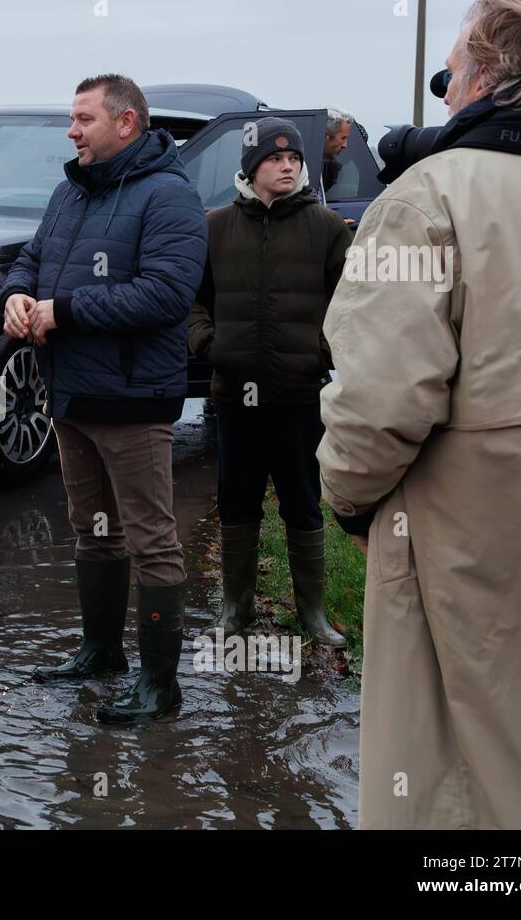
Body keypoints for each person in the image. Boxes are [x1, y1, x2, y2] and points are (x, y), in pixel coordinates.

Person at [317, 0, 521, 828]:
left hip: (474, 549)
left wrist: (347, 501)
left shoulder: (428, 199)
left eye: (445, 78)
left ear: (481, 76)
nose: (444, 96)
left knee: (462, 781)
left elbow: (376, 406)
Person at [0, 74, 207, 724]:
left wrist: (66, 313)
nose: (71, 129)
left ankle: (159, 686)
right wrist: (17, 296)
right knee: (93, 531)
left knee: (150, 539)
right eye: (73, 116)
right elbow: (31, 258)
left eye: (84, 118)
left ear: (126, 124)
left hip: (133, 396)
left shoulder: (169, 197)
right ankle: (99, 654)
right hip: (71, 392)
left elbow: (166, 295)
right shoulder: (69, 191)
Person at [188, 117, 351, 648]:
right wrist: (210, 345)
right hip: (234, 395)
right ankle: (236, 610)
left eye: (294, 160)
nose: (287, 166)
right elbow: (193, 300)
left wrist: (317, 354)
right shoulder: (215, 227)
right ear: (251, 169)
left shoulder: (327, 227)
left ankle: (314, 615)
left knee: (302, 501)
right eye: (274, 159)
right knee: (237, 501)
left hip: (298, 394)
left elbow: (348, 306)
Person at [319, 105, 353, 196]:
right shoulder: (302, 166)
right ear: (326, 136)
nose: (345, 145)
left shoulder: (331, 168)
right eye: (343, 138)